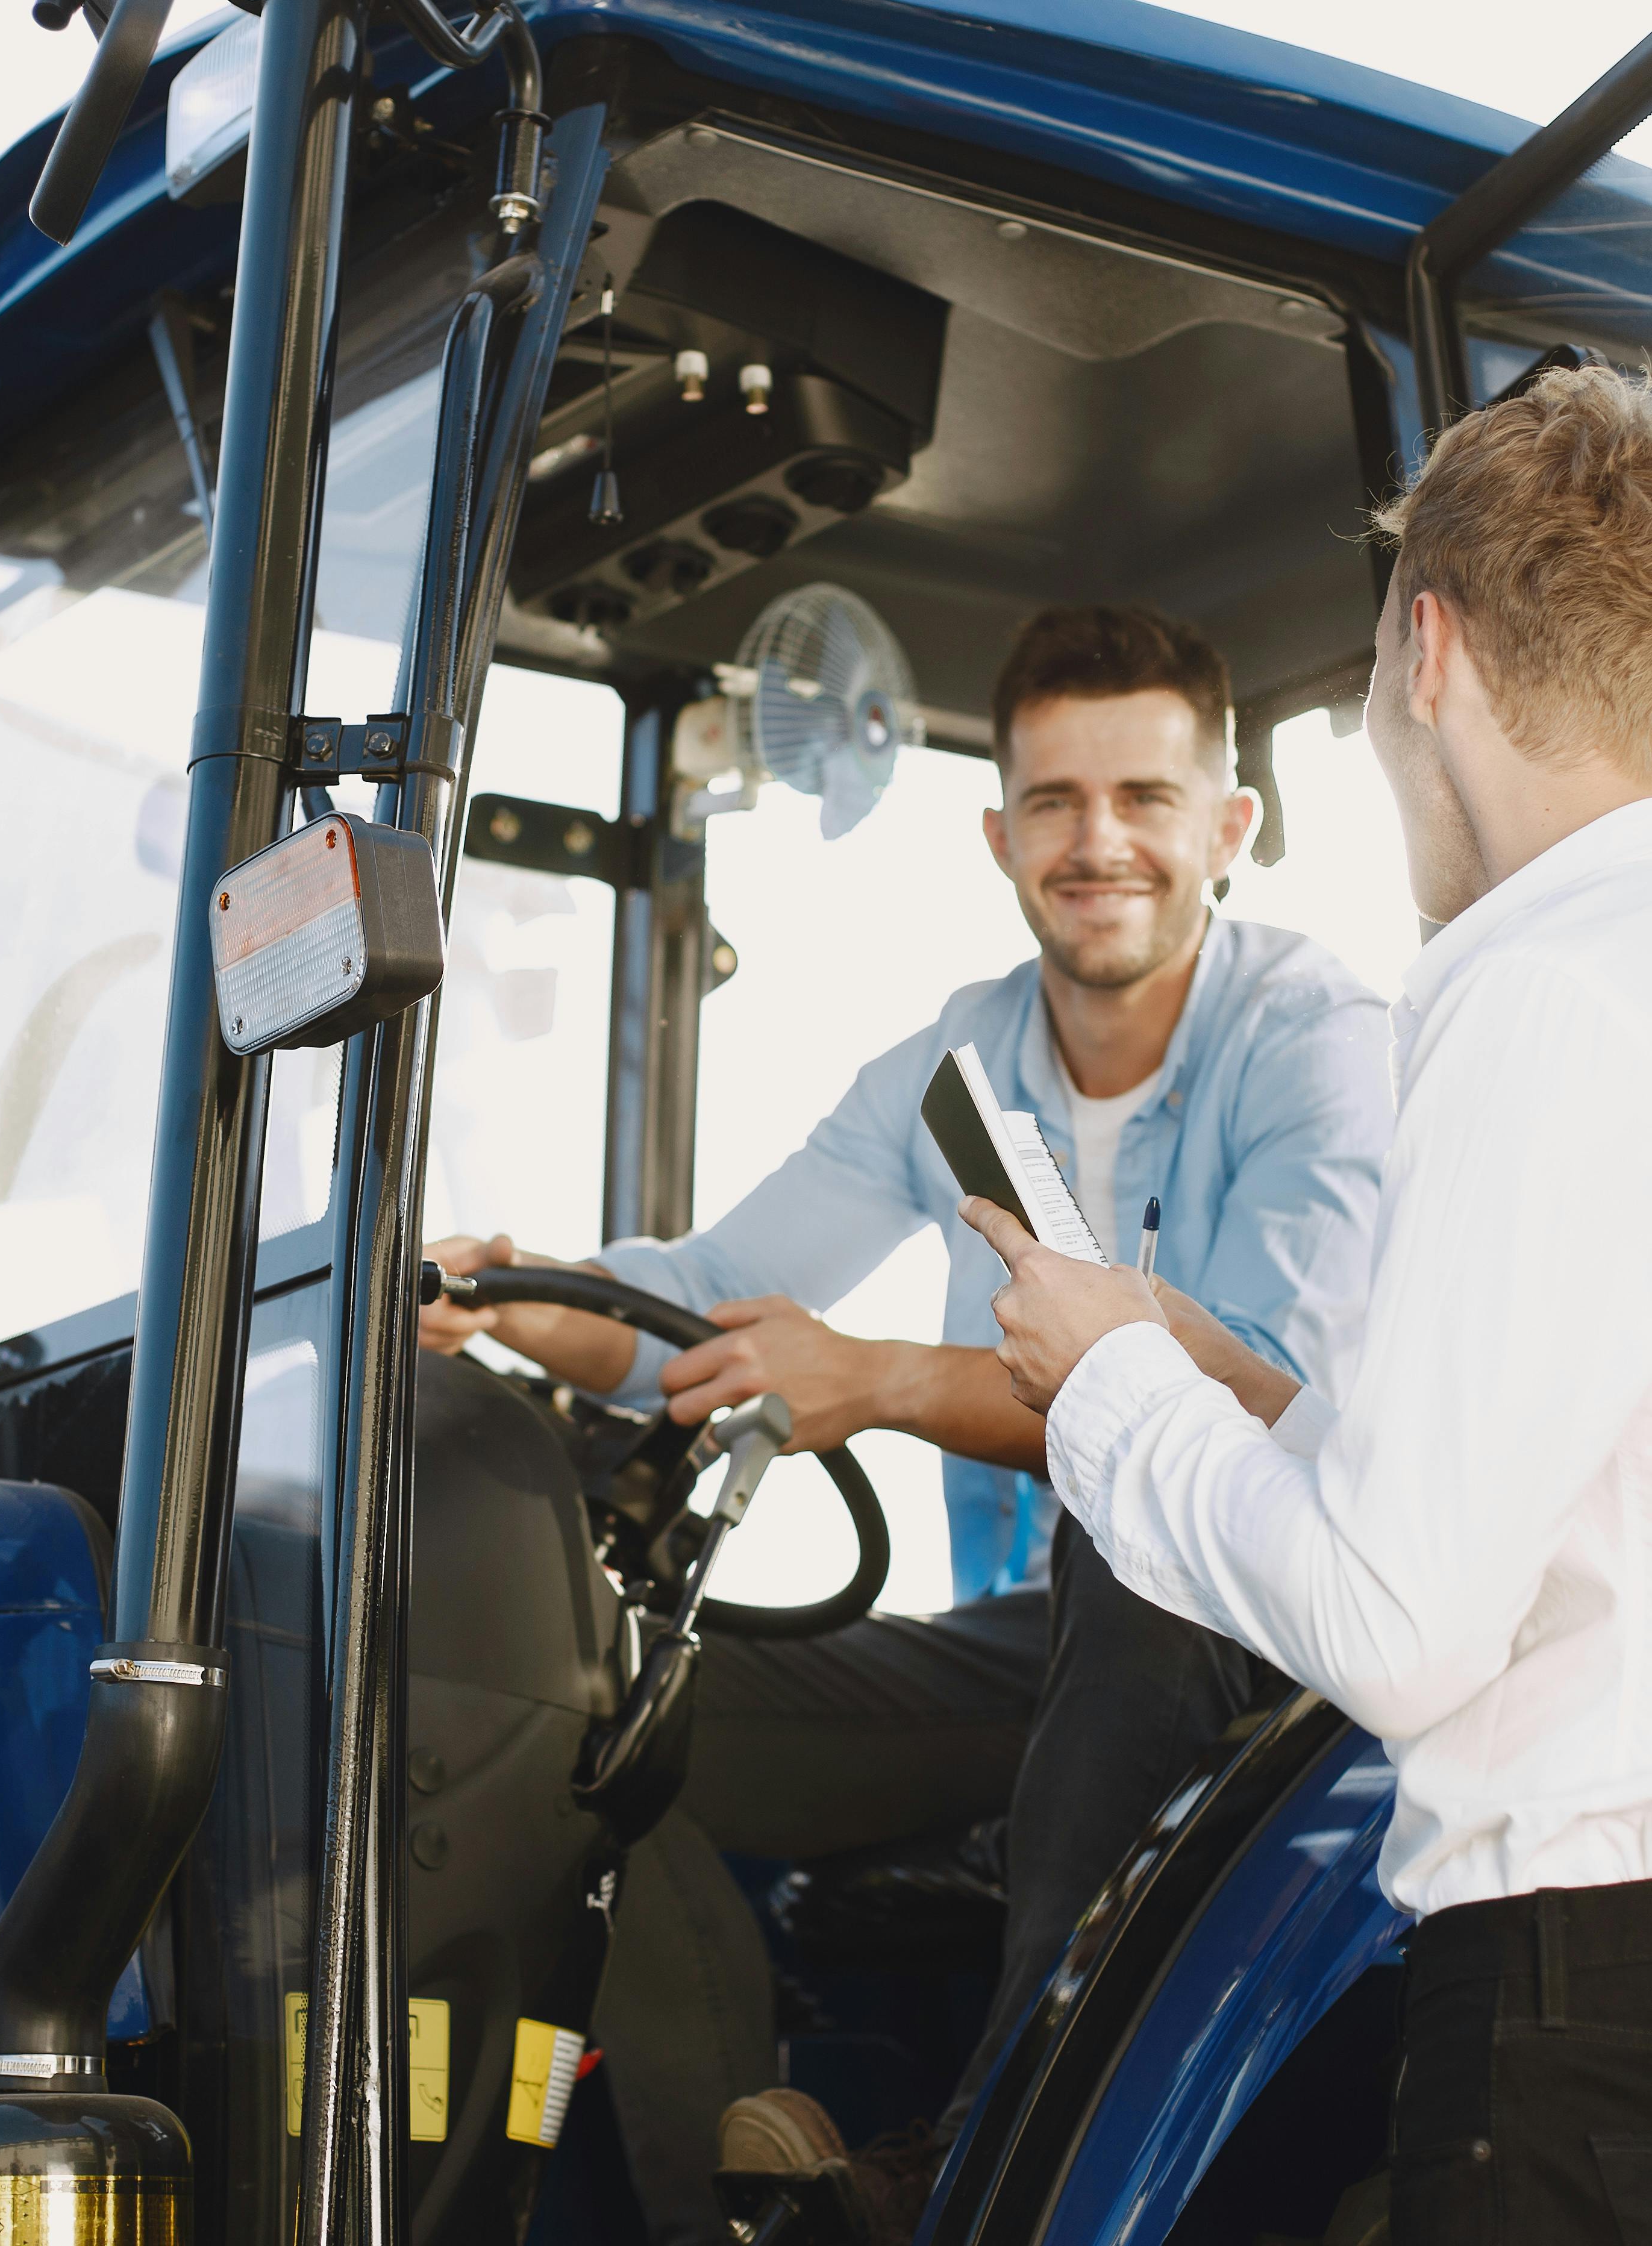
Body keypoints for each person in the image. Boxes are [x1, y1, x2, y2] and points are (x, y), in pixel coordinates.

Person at [969, 366, 1652, 2244]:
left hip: (1602, 2058)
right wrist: (1228, 1383)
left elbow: (1397, 1629)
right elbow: (1560, 1516)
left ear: (1427, 654)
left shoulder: (1548, 991)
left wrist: (1105, 1390)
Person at [421, 603, 1393, 2244]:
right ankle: (720, 2216)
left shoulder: (1315, 1049)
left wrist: (878, 1381)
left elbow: (1254, 1412)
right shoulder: (960, 1061)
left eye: (1146, 800)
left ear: (1228, 829)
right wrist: (503, 1294)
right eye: (1058, 804)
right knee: (609, 1730)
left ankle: (983, 2175)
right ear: (1000, 831)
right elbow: (719, 1296)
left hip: (1270, 1647)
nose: (1100, 845)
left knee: (1147, 1558)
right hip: (1030, 1650)